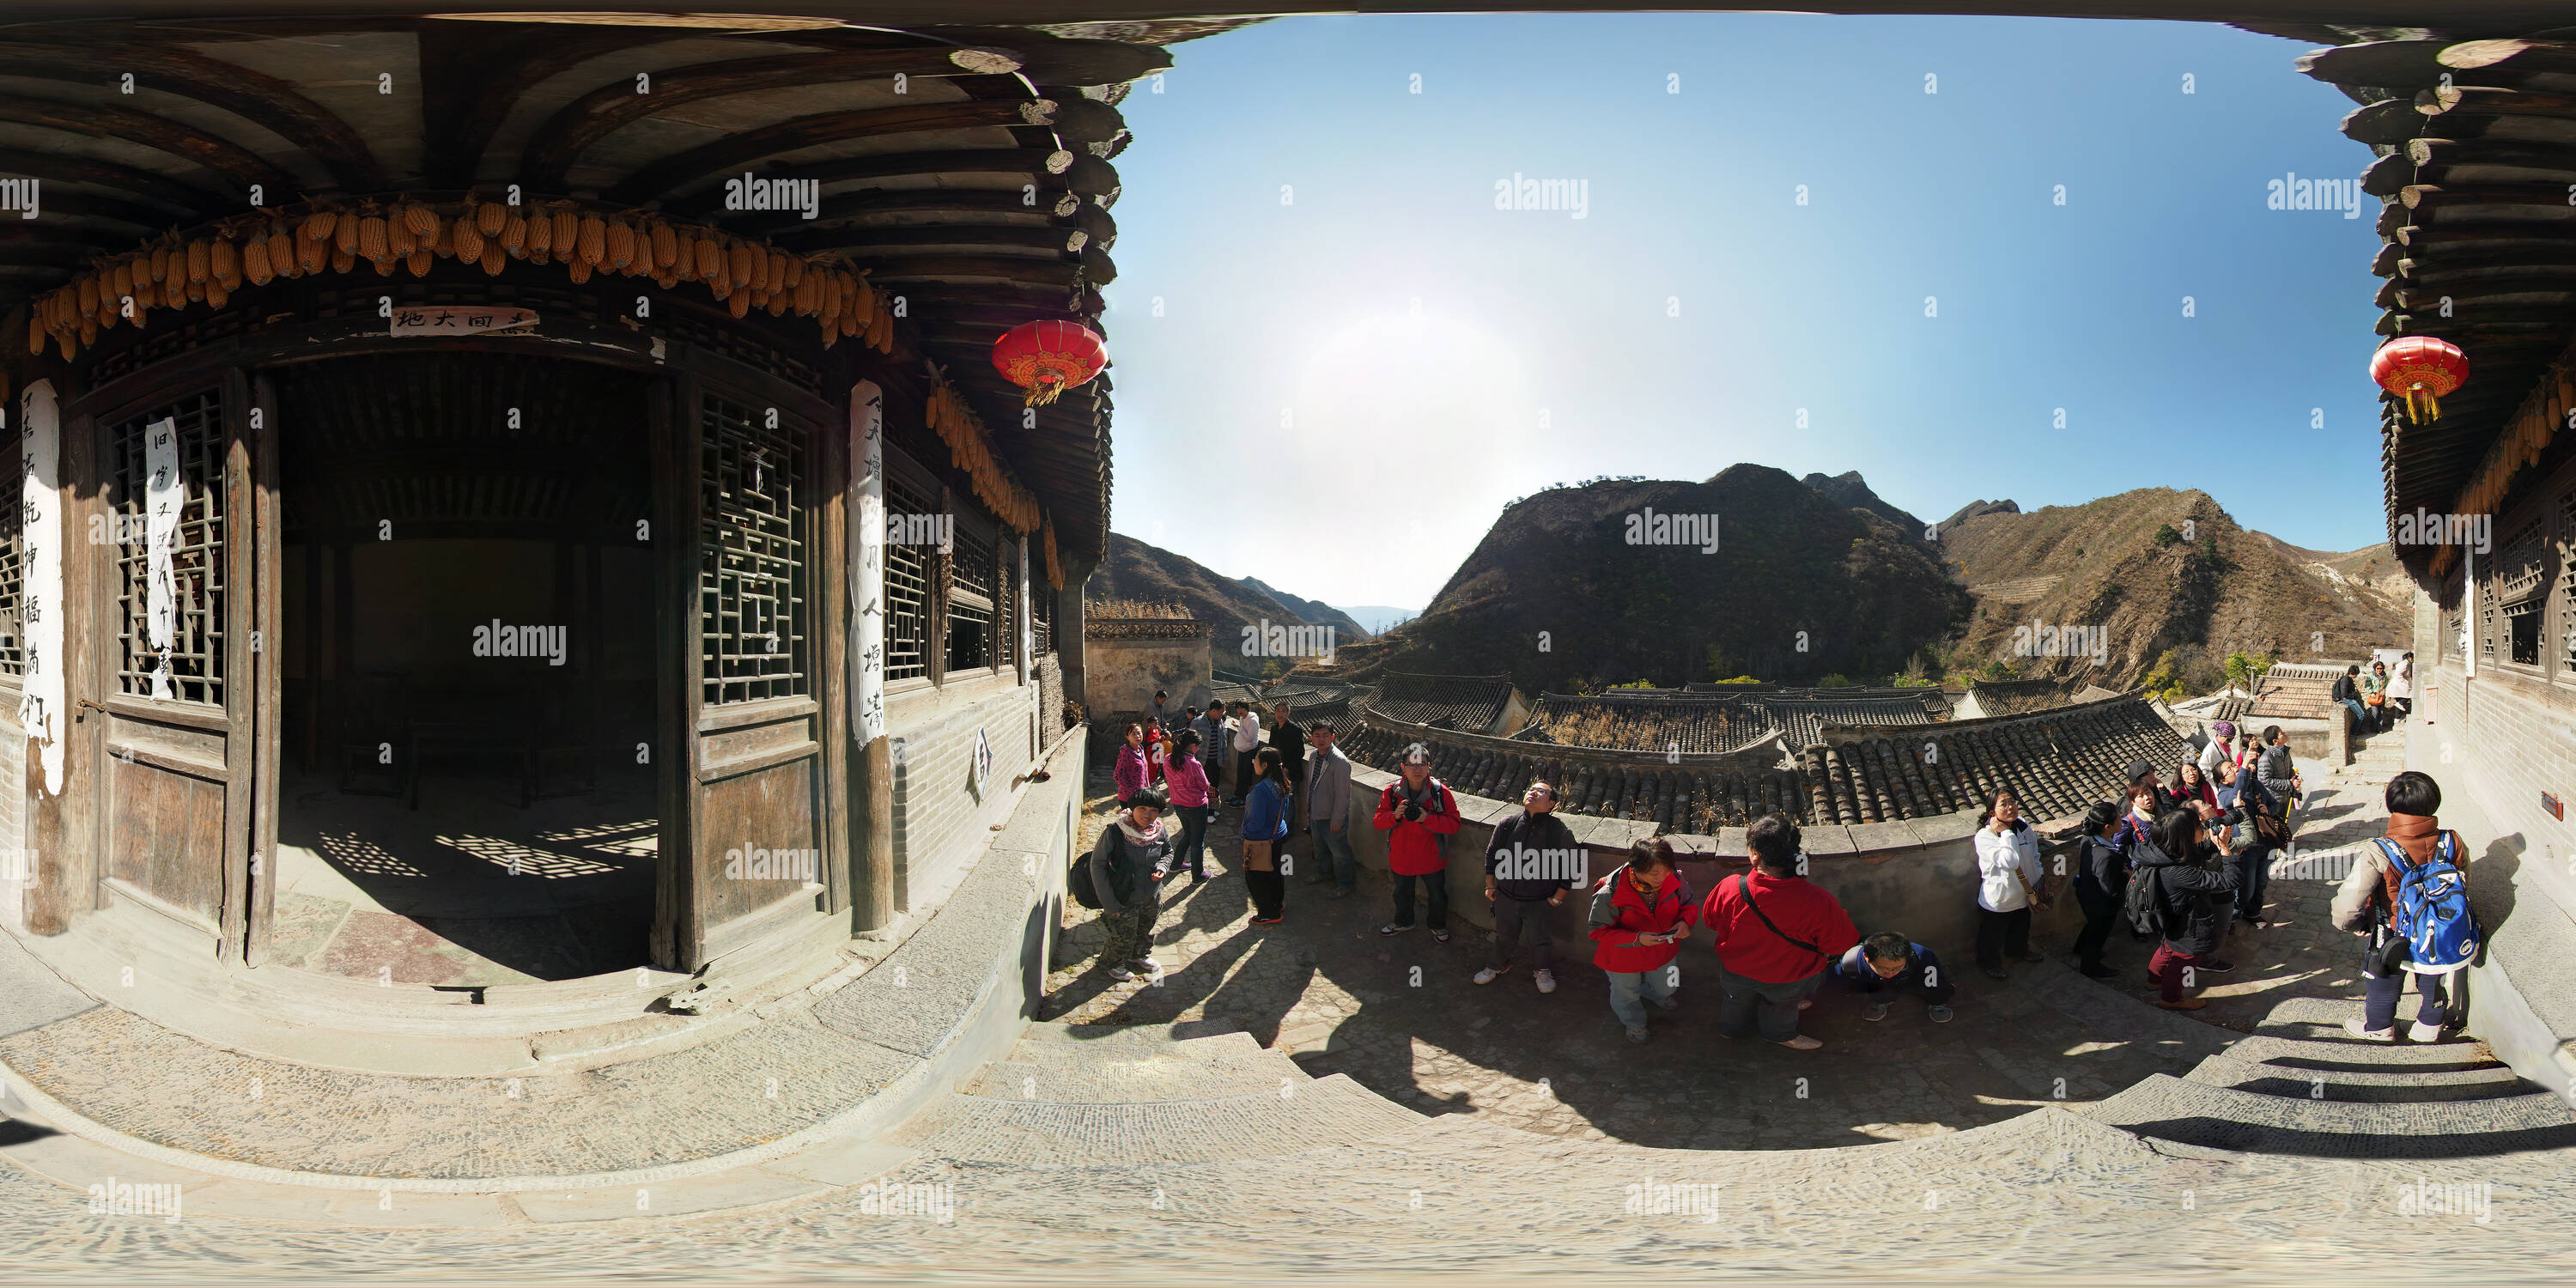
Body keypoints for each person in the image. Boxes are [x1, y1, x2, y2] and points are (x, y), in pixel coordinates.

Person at [2331, 771, 2470, 1042]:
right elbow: (2464, 886)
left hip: (2394, 929)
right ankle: (2429, 1027)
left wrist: (2355, 924)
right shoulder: (2453, 841)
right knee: (2432, 971)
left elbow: (2348, 906)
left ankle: (2380, 1028)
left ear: (2391, 806)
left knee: (2383, 972)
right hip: (2438, 931)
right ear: (2434, 804)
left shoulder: (2379, 850)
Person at [1701, 813, 1857, 1050]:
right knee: (1782, 1006)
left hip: (1735, 970)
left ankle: (1731, 1030)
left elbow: (1711, 920)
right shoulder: (1818, 901)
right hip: (1788, 977)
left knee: (1735, 1000)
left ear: (1756, 856)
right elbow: (1839, 944)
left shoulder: (1732, 886)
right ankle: (1778, 1034)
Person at [1587, 838, 1698, 1042]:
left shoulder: (1675, 880)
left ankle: (1656, 994)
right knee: (1626, 994)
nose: (1662, 878)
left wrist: (1685, 923)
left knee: (1669, 986)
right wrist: (1637, 939)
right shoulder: (1609, 894)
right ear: (1635, 868)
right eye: (1654, 873)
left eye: (1666, 870)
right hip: (1622, 956)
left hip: (1662, 949)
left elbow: (1689, 905)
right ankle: (1634, 1023)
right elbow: (1597, 931)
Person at [2132, 808, 2240, 1010]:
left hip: (2170, 915)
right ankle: (2171, 998)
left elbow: (2197, 851)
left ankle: (2154, 980)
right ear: (2185, 836)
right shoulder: (2178, 872)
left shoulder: (2163, 850)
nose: (2203, 829)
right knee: (2185, 958)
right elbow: (2230, 880)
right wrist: (2225, 850)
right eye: (2199, 827)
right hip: (2188, 922)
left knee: (2168, 947)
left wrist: (2215, 844)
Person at [1479, 780, 1577, 993]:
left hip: (1539, 900)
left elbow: (1571, 865)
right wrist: (1490, 885)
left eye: (1541, 792)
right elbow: (1491, 855)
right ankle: (1496, 965)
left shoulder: (1557, 830)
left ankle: (1541, 970)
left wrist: (1558, 897)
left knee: (1539, 938)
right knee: (1504, 934)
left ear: (1551, 803)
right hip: (1505, 896)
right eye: (1531, 789)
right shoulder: (1508, 824)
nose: (1533, 792)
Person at [1376, 744, 1461, 941]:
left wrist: (1426, 819)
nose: (1417, 769)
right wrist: (1395, 815)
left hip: (1431, 856)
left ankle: (1437, 925)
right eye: (1412, 764)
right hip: (1401, 855)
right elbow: (1378, 821)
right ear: (1402, 767)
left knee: (1437, 895)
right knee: (1402, 894)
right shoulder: (1392, 792)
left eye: (1422, 764)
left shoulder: (1440, 792)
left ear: (1429, 766)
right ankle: (1404, 922)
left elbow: (1454, 825)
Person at [1088, 787, 1171, 981]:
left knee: (1144, 929)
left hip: (1150, 895)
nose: (1148, 815)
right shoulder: (1116, 832)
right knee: (1122, 935)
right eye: (1142, 808)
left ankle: (1138, 955)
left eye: (1153, 811)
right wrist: (1109, 903)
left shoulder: (1159, 830)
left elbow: (1168, 852)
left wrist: (1162, 867)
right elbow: (1097, 865)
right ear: (1132, 808)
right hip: (1123, 896)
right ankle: (1113, 963)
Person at [1971, 788, 2047, 980]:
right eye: (2003, 804)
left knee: (2020, 928)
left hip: (2024, 894)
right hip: (2000, 898)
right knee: (1991, 935)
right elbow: (2010, 862)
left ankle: (2018, 951)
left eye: (2012, 801)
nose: (2011, 807)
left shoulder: (2022, 825)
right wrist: (2005, 833)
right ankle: (1989, 963)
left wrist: (2038, 875)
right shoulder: (1985, 836)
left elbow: (2034, 851)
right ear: (1992, 812)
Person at [1834, 931, 1956, 1022]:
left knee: (1937, 986)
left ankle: (1936, 1003)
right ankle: (1882, 1001)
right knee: (1875, 988)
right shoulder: (1851, 962)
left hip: (1913, 979)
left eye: (1897, 968)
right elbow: (1839, 979)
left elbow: (1934, 979)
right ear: (1867, 958)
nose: (1890, 973)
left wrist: (1937, 994)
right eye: (1883, 969)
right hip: (1880, 983)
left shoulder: (1923, 956)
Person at [2226, 756, 2287, 930]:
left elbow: (2276, 804)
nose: (2234, 769)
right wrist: (2244, 767)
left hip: (2266, 842)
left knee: (2261, 883)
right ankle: (2232, 916)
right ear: (2222, 780)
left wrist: (2268, 809)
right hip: (2248, 848)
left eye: (2233, 766)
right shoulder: (2226, 794)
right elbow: (2236, 793)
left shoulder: (2255, 785)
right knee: (2247, 887)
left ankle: (2253, 913)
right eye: (2229, 770)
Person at [2069, 801, 2129, 978]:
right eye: (2118, 818)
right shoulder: (2105, 856)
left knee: (2092, 927)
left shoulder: (2089, 839)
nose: (2122, 820)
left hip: (2086, 893)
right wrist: (2127, 875)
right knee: (2098, 934)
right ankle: (2090, 966)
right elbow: (2110, 889)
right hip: (2100, 903)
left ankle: (2079, 948)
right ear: (2107, 827)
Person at [1239, 746, 1291, 926]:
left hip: (1260, 838)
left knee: (1254, 875)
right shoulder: (1282, 782)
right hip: (1278, 834)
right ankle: (1277, 903)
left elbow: (1257, 822)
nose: (1254, 763)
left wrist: (1245, 833)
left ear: (1265, 765)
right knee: (1275, 870)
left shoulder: (1261, 790)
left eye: (1256, 760)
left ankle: (1269, 912)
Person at [1303, 722, 1355, 896]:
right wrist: (1309, 808)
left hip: (1331, 816)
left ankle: (1346, 884)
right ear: (1311, 738)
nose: (1321, 739)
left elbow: (1343, 796)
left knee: (1340, 853)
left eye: (1325, 735)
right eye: (1317, 735)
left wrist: (1337, 819)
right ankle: (1324, 873)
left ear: (1333, 737)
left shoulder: (1339, 761)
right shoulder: (1313, 757)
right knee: (1321, 849)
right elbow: (1311, 786)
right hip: (1316, 813)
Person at [1164, 729, 1215, 883]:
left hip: (1178, 803)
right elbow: (1205, 786)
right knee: (1197, 842)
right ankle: (1197, 875)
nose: (1198, 749)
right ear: (1193, 746)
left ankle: (1176, 863)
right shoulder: (1194, 764)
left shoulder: (1168, 759)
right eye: (1197, 746)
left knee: (1188, 834)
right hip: (1196, 806)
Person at [1269, 700, 1307, 830]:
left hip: (1289, 771)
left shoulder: (1295, 729)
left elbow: (1300, 752)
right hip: (1276, 769)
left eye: (1283, 711)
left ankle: (1287, 828)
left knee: (1288, 800)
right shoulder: (1274, 728)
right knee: (1277, 798)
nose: (1280, 714)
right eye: (1278, 711)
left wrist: (1287, 767)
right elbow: (1271, 748)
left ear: (1288, 713)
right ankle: (1279, 825)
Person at [2255, 725, 2301, 817]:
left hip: (2285, 796)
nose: (2285, 733)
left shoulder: (2285, 752)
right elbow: (2265, 781)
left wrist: (2294, 779)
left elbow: (2290, 768)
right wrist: (2289, 783)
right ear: (2275, 741)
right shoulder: (2267, 757)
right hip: (2273, 800)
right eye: (2281, 733)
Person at [1189, 701, 1230, 797]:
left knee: (1214, 786)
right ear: (1214, 711)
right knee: (1201, 786)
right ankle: (1203, 808)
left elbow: (1223, 742)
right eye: (1221, 711)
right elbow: (1190, 744)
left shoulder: (1220, 723)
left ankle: (1212, 810)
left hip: (1216, 761)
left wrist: (1225, 758)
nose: (1223, 714)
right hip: (1202, 762)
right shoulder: (1197, 723)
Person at [1227, 701, 1262, 808]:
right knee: (1240, 772)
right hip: (1243, 749)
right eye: (1237, 708)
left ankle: (1244, 799)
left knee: (1246, 774)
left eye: (1241, 708)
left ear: (1246, 708)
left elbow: (1249, 738)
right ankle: (1238, 795)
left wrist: (1239, 728)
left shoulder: (1253, 721)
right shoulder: (1243, 718)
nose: (1239, 711)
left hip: (1250, 750)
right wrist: (1239, 726)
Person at [1111, 721, 1148, 807]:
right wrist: (1133, 791)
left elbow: (1145, 773)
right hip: (1129, 798)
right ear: (1127, 737)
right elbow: (1117, 776)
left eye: (1139, 733)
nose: (1137, 736)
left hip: (1141, 795)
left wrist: (1147, 790)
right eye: (1133, 734)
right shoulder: (1126, 753)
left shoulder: (1141, 750)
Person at [2197, 720, 2243, 785]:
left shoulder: (2225, 747)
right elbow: (2202, 771)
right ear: (2220, 735)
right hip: (2218, 785)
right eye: (2228, 739)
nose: (2230, 742)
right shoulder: (2210, 750)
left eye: (2232, 740)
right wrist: (2218, 777)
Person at [2332, 665, 2370, 734]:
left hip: (2349, 699)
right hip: (2347, 700)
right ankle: (2355, 731)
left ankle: (2358, 730)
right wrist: (2354, 695)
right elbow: (2344, 695)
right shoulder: (2345, 680)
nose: (2356, 676)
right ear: (2352, 673)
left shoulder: (2348, 679)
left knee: (2363, 712)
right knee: (2361, 714)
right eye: (2356, 674)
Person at [2360, 660, 2391, 734]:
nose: (2379, 670)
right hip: (2374, 697)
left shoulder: (2385, 677)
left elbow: (2386, 686)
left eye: (2380, 669)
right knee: (2375, 713)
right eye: (2377, 669)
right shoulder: (2371, 675)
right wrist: (2371, 692)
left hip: (2381, 697)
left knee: (2381, 713)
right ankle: (2373, 728)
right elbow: (2367, 686)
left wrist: (2384, 691)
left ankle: (2379, 728)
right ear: (2375, 668)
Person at [2388, 652, 2415, 720]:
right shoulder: (2405, 664)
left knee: (2399, 702)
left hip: (2400, 685)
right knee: (2410, 695)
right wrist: (2404, 682)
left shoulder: (2408, 664)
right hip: (2399, 685)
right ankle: (2397, 717)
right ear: (2410, 658)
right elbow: (2398, 674)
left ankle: (2397, 718)